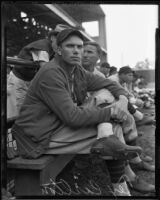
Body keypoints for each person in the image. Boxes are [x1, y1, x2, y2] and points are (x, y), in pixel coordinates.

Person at [10, 28, 150, 196]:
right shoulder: (51, 73)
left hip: (55, 127)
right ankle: (123, 188)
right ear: (58, 49)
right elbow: (73, 117)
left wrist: (123, 99)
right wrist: (112, 112)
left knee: (110, 120)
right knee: (112, 126)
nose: (77, 51)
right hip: (36, 138)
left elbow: (108, 84)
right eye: (70, 46)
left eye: (80, 46)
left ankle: (123, 187)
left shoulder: (77, 70)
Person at [82, 41, 155, 193]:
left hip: (98, 116)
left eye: (90, 52)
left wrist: (121, 101)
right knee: (114, 123)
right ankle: (128, 177)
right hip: (80, 116)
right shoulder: (73, 70)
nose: (84, 54)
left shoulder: (99, 75)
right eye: (83, 50)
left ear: (98, 57)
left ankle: (126, 180)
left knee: (118, 119)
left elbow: (119, 92)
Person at [10, 24, 71, 112]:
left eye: (65, 39)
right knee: (14, 112)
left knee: (25, 110)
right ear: (52, 37)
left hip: (29, 81)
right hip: (18, 80)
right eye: (60, 37)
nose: (62, 41)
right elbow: (46, 70)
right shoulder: (43, 47)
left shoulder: (55, 50)